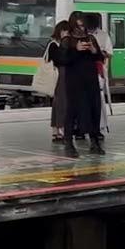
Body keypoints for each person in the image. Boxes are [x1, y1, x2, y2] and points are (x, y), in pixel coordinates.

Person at [55, 12, 106, 157]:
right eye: (78, 26)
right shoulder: (67, 41)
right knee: (72, 111)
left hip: (90, 79)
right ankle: (69, 143)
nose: (81, 29)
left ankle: (94, 142)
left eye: (83, 26)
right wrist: (75, 50)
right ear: (73, 26)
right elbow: (61, 60)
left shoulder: (91, 38)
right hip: (74, 81)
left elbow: (100, 58)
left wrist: (94, 51)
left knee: (94, 109)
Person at [46, 20, 71, 141]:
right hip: (60, 76)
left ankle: (56, 130)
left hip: (61, 75)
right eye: (66, 31)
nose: (68, 34)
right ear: (61, 31)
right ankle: (61, 129)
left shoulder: (56, 44)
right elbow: (59, 60)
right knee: (62, 102)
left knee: (58, 103)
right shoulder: (54, 45)